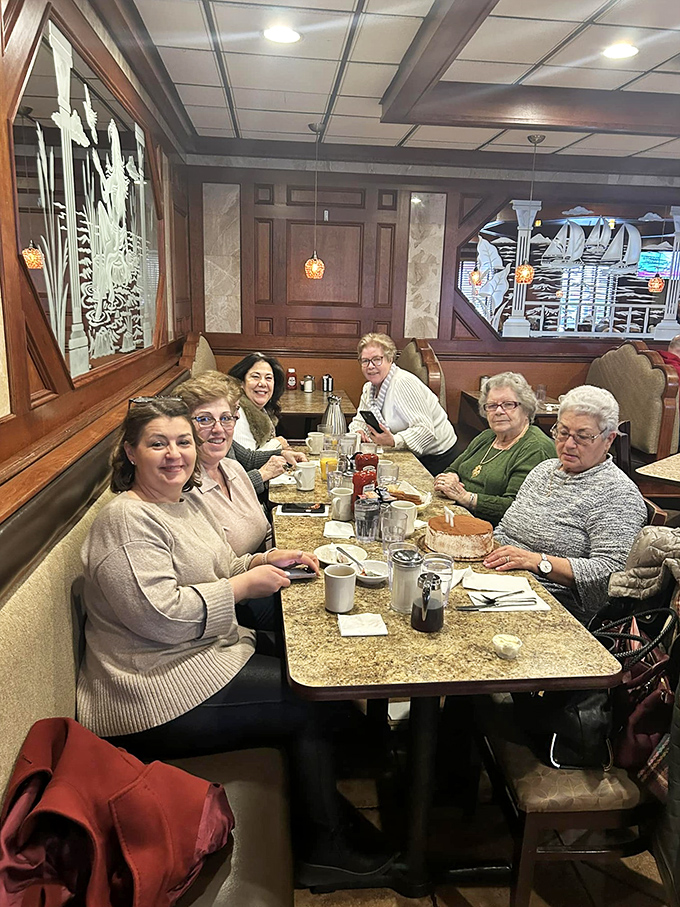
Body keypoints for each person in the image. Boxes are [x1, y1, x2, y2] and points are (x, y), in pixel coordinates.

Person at [76, 397, 392, 889]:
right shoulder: (127, 520)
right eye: (157, 443)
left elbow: (221, 561)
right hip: (149, 691)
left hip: (198, 657)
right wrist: (242, 588)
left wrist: (268, 560)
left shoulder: (177, 501)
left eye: (182, 441)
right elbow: (162, 616)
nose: (174, 453)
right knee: (308, 700)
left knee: (311, 663)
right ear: (131, 452)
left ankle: (339, 800)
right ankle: (326, 851)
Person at [484, 385, 647, 624]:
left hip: (553, 608)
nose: (569, 444)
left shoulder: (618, 494)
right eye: (562, 432)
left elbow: (611, 572)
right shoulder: (543, 471)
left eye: (582, 437)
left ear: (608, 440)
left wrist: (538, 561)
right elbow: (505, 531)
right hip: (500, 583)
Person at [433, 372, 555, 525]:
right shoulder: (487, 436)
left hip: (495, 531)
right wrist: (450, 478)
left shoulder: (535, 448)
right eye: (492, 406)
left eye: (508, 404)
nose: (498, 411)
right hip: (458, 515)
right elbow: (452, 469)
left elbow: (517, 507)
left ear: (526, 409)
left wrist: (466, 498)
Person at [348, 332, 457, 475]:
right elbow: (359, 420)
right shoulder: (369, 388)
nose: (370, 366)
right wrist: (358, 431)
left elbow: (425, 430)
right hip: (407, 454)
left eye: (377, 359)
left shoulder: (402, 383)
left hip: (438, 461)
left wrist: (393, 440)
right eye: (365, 361)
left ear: (390, 359)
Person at [229, 353, 306, 462]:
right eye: (255, 377)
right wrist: (277, 444)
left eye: (268, 378)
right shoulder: (237, 413)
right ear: (241, 382)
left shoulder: (262, 409)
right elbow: (247, 462)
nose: (263, 383)